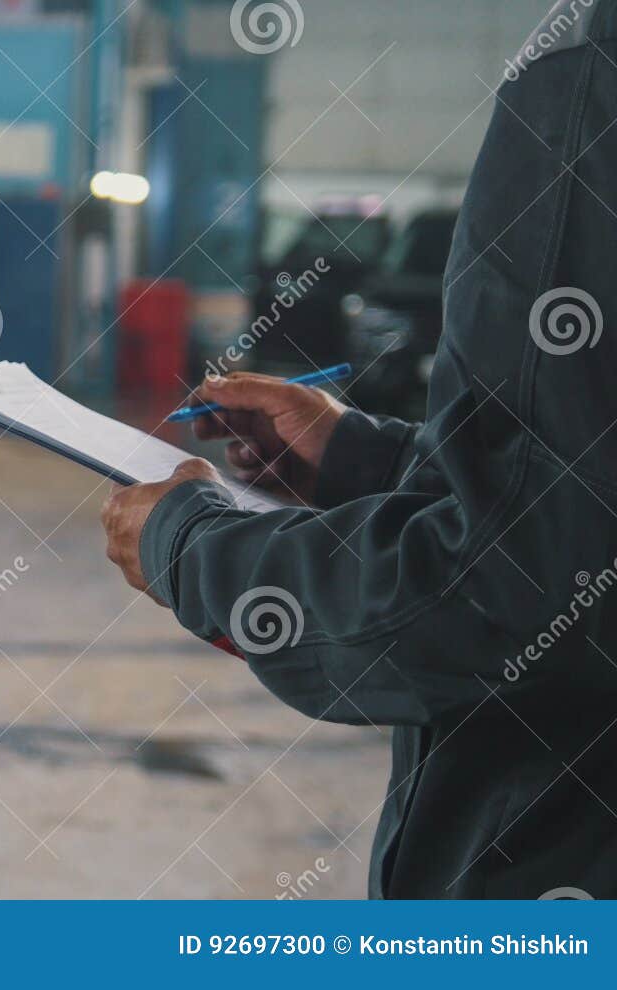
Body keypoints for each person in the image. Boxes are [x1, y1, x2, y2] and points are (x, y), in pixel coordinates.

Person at [100, 0, 617, 899]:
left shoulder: (590, 81)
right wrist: (362, 459)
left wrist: (193, 545)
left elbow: (504, 596)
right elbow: (581, 510)